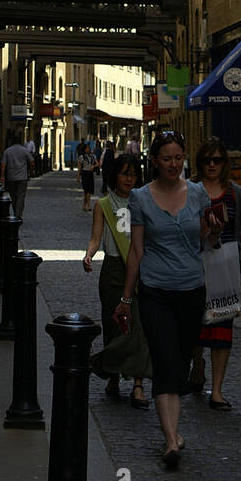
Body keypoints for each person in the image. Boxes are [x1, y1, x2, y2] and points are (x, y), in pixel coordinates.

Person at [113, 130, 223, 469]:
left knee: (181, 362)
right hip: (156, 291)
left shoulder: (198, 194)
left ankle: (172, 433)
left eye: (178, 158)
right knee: (163, 359)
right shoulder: (141, 199)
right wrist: (126, 298)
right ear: (155, 161)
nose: (174, 164)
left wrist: (215, 229)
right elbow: (136, 251)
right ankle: (171, 439)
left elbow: (206, 241)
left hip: (192, 289)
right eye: (167, 158)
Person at [83, 155, 151, 408]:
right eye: (124, 174)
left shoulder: (145, 202)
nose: (129, 179)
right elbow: (95, 238)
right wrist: (89, 254)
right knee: (114, 325)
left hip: (141, 269)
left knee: (139, 325)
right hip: (113, 270)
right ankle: (112, 374)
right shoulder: (103, 205)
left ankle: (138, 384)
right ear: (114, 176)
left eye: (133, 174)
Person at [188, 137, 241, 410]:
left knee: (222, 326)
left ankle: (218, 390)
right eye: (207, 160)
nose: (212, 165)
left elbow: (238, 232)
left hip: (224, 267)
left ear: (225, 162)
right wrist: (206, 231)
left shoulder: (236, 193)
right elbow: (183, 233)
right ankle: (196, 363)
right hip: (194, 267)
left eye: (218, 160)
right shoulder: (189, 191)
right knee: (194, 324)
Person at [1, 134, 34, 220]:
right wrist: (31, 171)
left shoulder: (7, 151)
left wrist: (2, 176)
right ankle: (18, 213)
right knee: (21, 196)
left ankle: (16, 211)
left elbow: (3, 165)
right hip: (22, 177)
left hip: (11, 177)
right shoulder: (25, 151)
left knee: (13, 196)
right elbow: (32, 162)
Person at [78, 145, 99, 212]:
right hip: (85, 174)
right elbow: (79, 168)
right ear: (84, 149)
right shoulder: (81, 157)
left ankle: (84, 205)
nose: (88, 149)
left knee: (89, 191)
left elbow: (98, 164)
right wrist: (78, 176)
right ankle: (88, 205)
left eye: (89, 148)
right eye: (87, 148)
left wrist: (93, 166)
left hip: (90, 174)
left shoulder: (93, 156)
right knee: (86, 191)